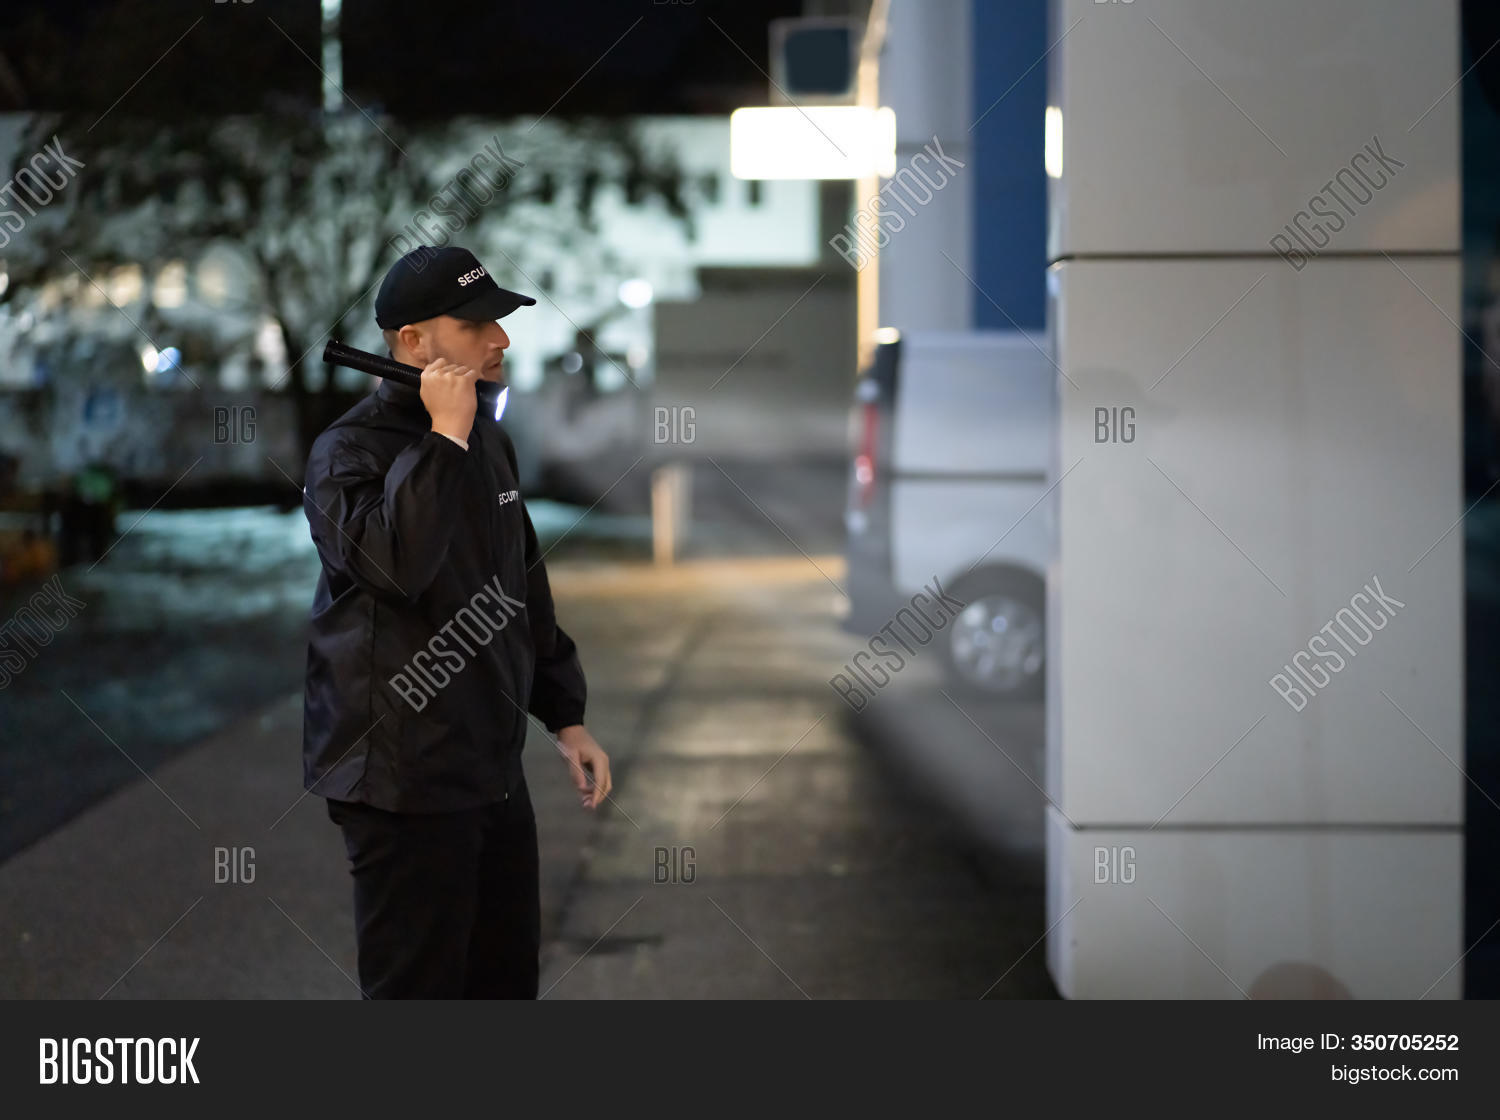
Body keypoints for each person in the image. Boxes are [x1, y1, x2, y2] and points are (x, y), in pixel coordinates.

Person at [301, 245, 613, 999]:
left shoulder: (489, 441)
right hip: (404, 783)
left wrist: (566, 716)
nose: (500, 339)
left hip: (490, 769)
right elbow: (394, 567)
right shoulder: (347, 453)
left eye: (499, 322)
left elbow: (521, 582)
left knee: (504, 985)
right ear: (412, 343)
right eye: (477, 324)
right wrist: (441, 439)